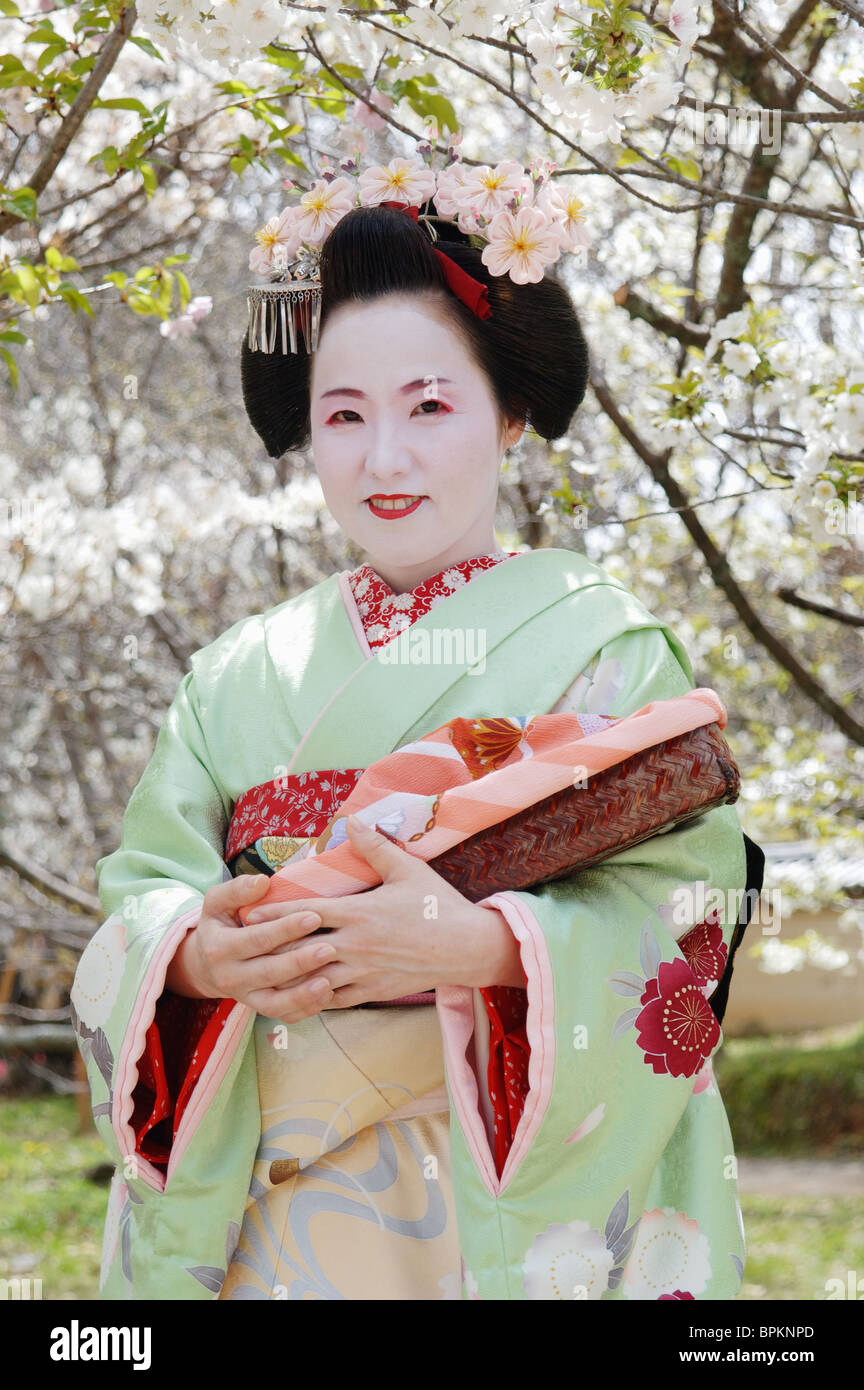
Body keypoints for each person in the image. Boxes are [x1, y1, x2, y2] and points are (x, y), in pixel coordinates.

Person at [71, 172, 756, 1301]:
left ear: (511, 411)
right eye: (344, 414)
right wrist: (191, 953)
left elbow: (689, 920)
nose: (382, 459)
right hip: (268, 1203)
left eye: (430, 405)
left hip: (497, 1201)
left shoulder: (606, 647)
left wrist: (486, 952)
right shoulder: (234, 676)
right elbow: (141, 890)